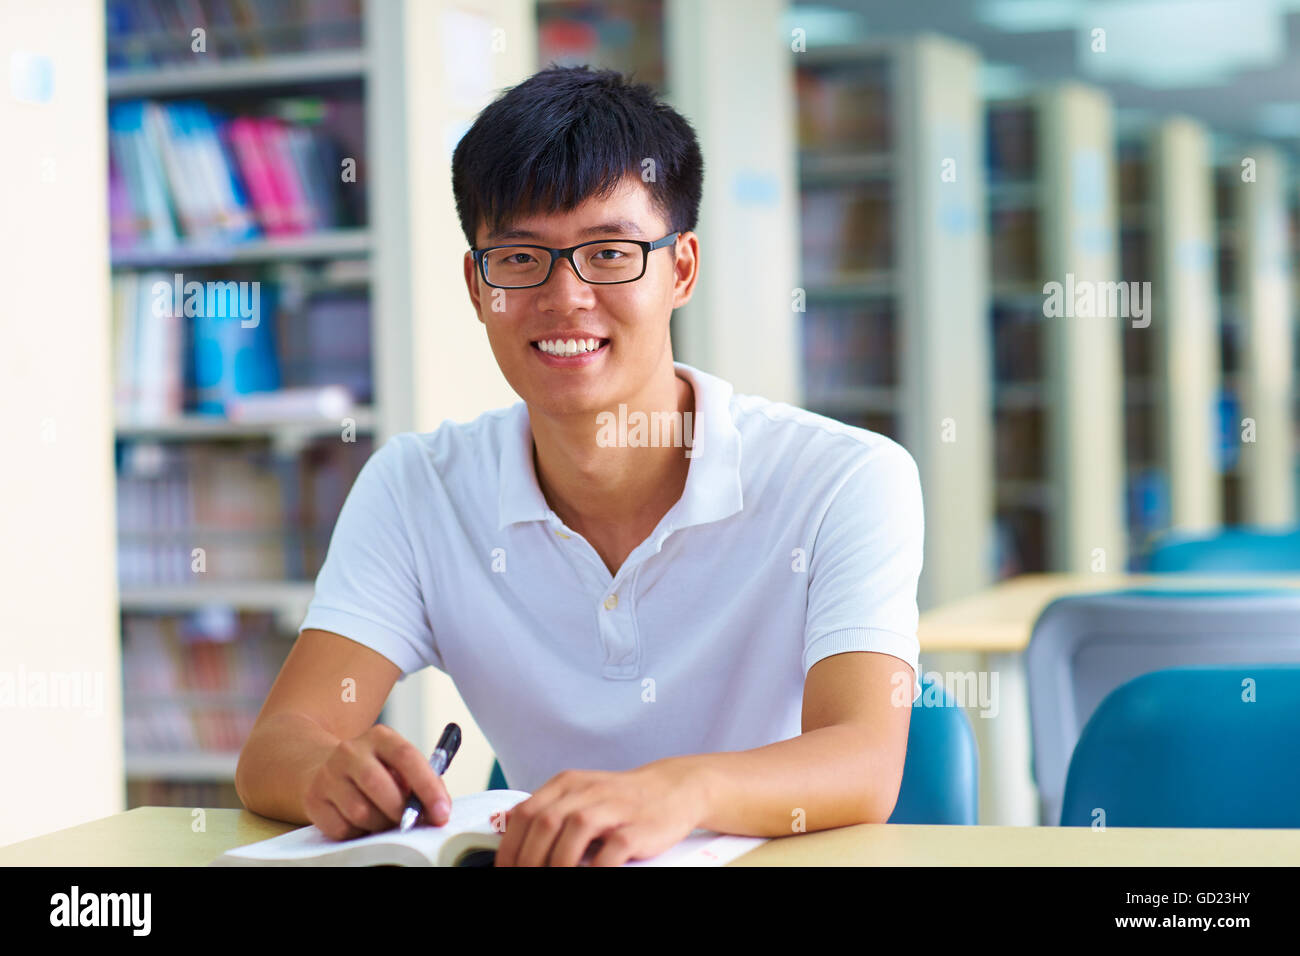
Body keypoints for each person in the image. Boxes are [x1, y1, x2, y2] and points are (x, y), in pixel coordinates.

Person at [235, 64, 924, 867]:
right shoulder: (415, 487)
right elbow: (276, 747)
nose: (565, 297)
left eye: (609, 253)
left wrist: (676, 792)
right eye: (521, 259)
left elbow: (865, 758)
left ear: (682, 269)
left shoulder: (845, 480)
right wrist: (333, 772)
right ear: (478, 285)